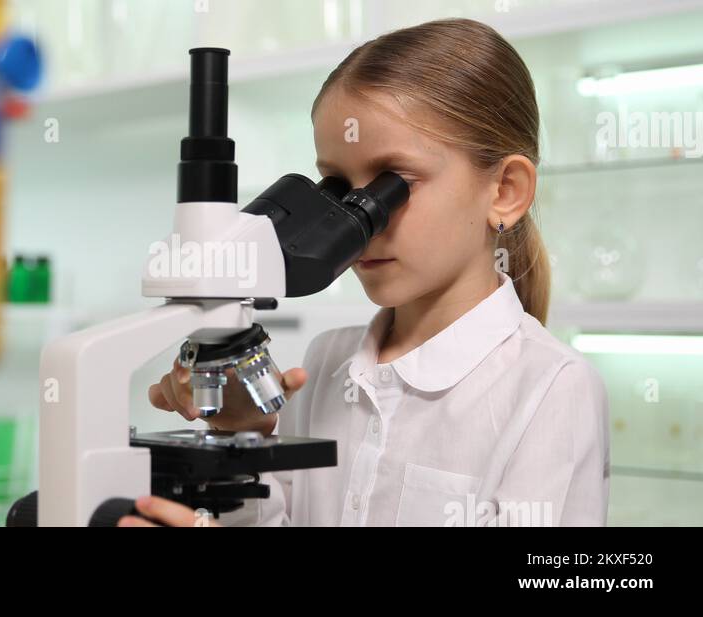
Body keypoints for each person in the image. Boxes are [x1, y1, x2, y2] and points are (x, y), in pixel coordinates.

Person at [126, 18, 610, 527]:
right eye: (336, 187)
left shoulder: (554, 388)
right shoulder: (329, 359)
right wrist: (239, 445)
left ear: (505, 190)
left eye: (391, 184)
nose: (358, 224)